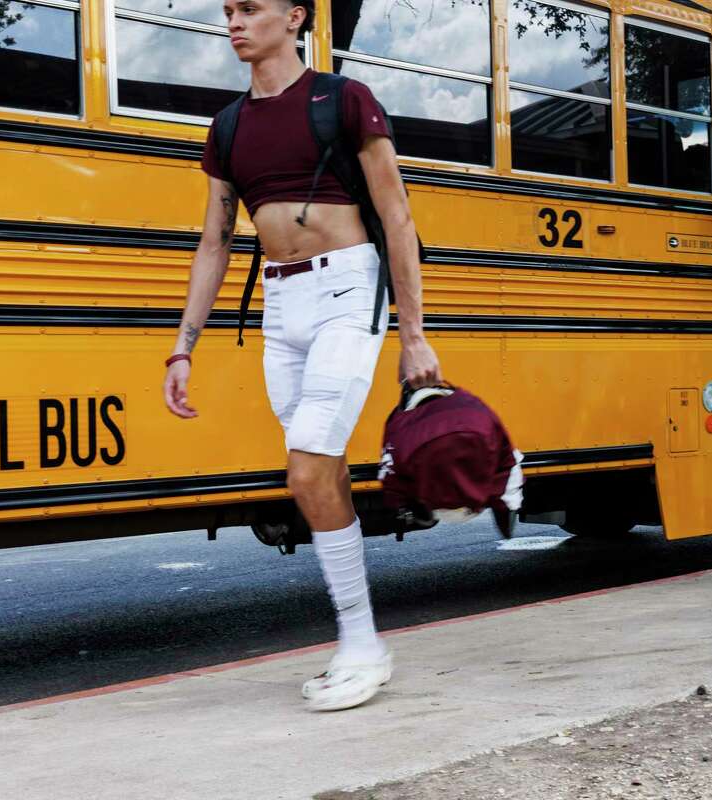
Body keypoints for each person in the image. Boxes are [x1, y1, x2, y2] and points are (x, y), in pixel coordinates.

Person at [162, 0, 442, 710]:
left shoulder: (343, 101)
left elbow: (397, 215)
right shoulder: (228, 128)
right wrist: (182, 347)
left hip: (349, 288)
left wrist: (413, 336)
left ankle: (362, 643)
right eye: (227, 11)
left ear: (293, 18)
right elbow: (216, 242)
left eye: (249, 9)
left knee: (309, 462)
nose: (233, 23)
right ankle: (359, 642)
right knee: (318, 479)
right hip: (281, 306)